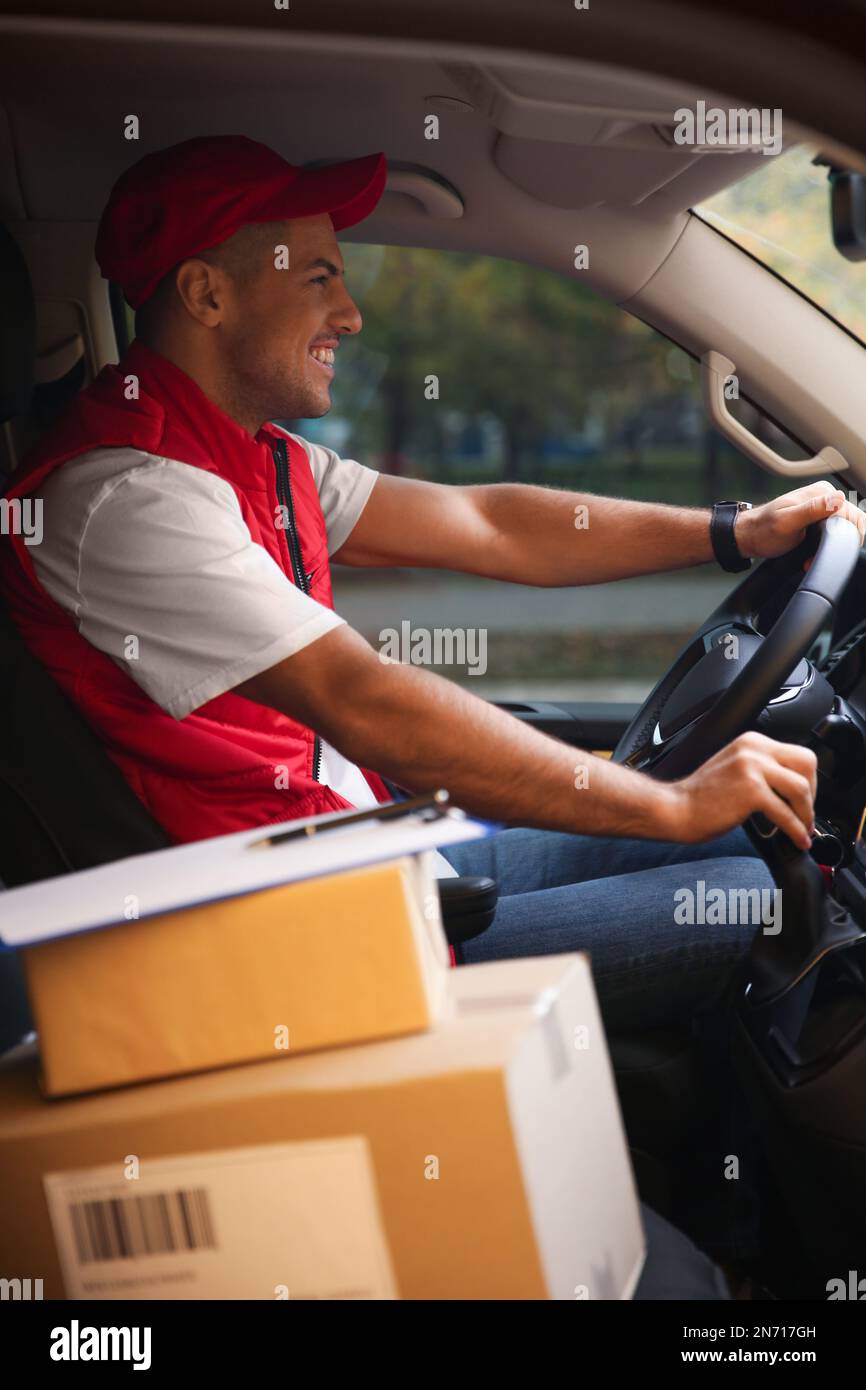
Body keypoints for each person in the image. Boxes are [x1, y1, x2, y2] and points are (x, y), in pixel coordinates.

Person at [1, 135, 863, 1036]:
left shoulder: (249, 457)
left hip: (369, 865)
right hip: (299, 949)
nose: (350, 315)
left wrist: (734, 532)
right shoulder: (128, 499)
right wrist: (671, 802)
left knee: (757, 839)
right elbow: (365, 700)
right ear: (206, 294)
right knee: (757, 898)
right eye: (319, 279)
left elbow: (490, 524)